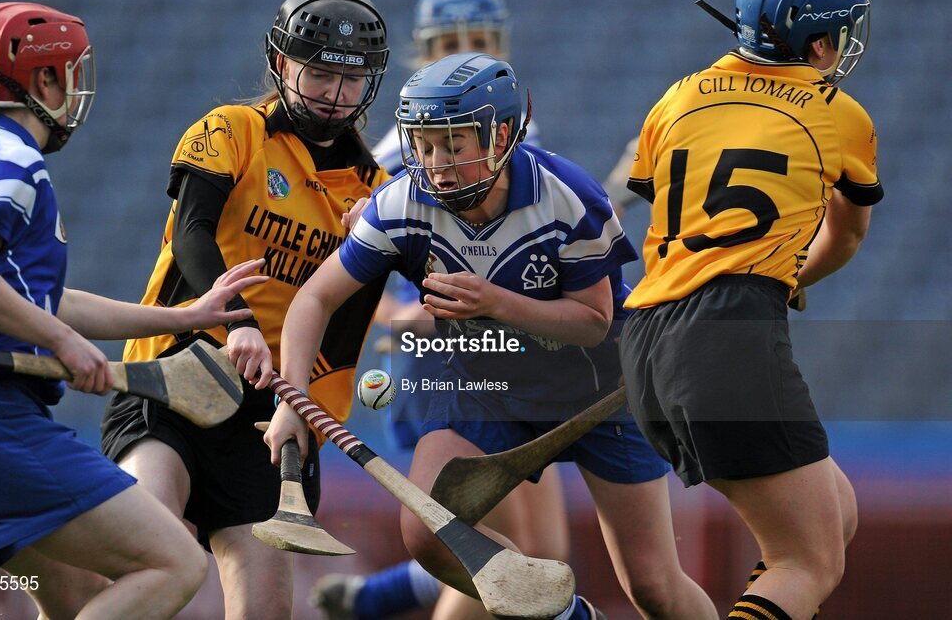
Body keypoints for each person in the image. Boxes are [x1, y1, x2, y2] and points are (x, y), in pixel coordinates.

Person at [268, 52, 717, 620]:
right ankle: (566, 616)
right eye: (425, 146)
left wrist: (493, 302)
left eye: (453, 145)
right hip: (486, 386)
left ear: (501, 132)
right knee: (430, 533)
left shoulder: (567, 197)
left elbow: (594, 321)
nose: (437, 165)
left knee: (654, 586)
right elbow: (315, 298)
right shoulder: (400, 205)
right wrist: (291, 400)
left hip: (599, 394)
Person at [0, 2, 267, 620]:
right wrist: (61, 341)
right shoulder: (12, 159)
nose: (77, 91)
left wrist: (188, 316)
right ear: (42, 80)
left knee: (78, 601)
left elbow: (47, 301)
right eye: (69, 73)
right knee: (176, 562)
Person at [98, 0, 390, 620]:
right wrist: (237, 325)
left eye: (351, 79)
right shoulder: (234, 130)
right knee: (153, 547)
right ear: (280, 63)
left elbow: (351, 325)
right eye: (318, 73)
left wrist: (382, 235)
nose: (335, 94)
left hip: (272, 412)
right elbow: (192, 231)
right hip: (177, 375)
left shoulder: (378, 193)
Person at [619, 0, 878, 620]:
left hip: (644, 337)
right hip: (729, 330)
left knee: (830, 515)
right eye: (839, 34)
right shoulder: (840, 113)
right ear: (816, 43)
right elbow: (845, 236)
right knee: (808, 562)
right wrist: (789, 277)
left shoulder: (674, 97)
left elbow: (672, 215)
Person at [311, 0, 568, 620]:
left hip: (514, 358)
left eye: (480, 42)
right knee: (505, 561)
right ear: (420, 55)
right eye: (450, 44)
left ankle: (376, 599)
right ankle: (378, 599)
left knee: (539, 554)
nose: (467, 55)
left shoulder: (517, 137)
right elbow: (345, 273)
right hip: (449, 360)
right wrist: (401, 316)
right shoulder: (393, 158)